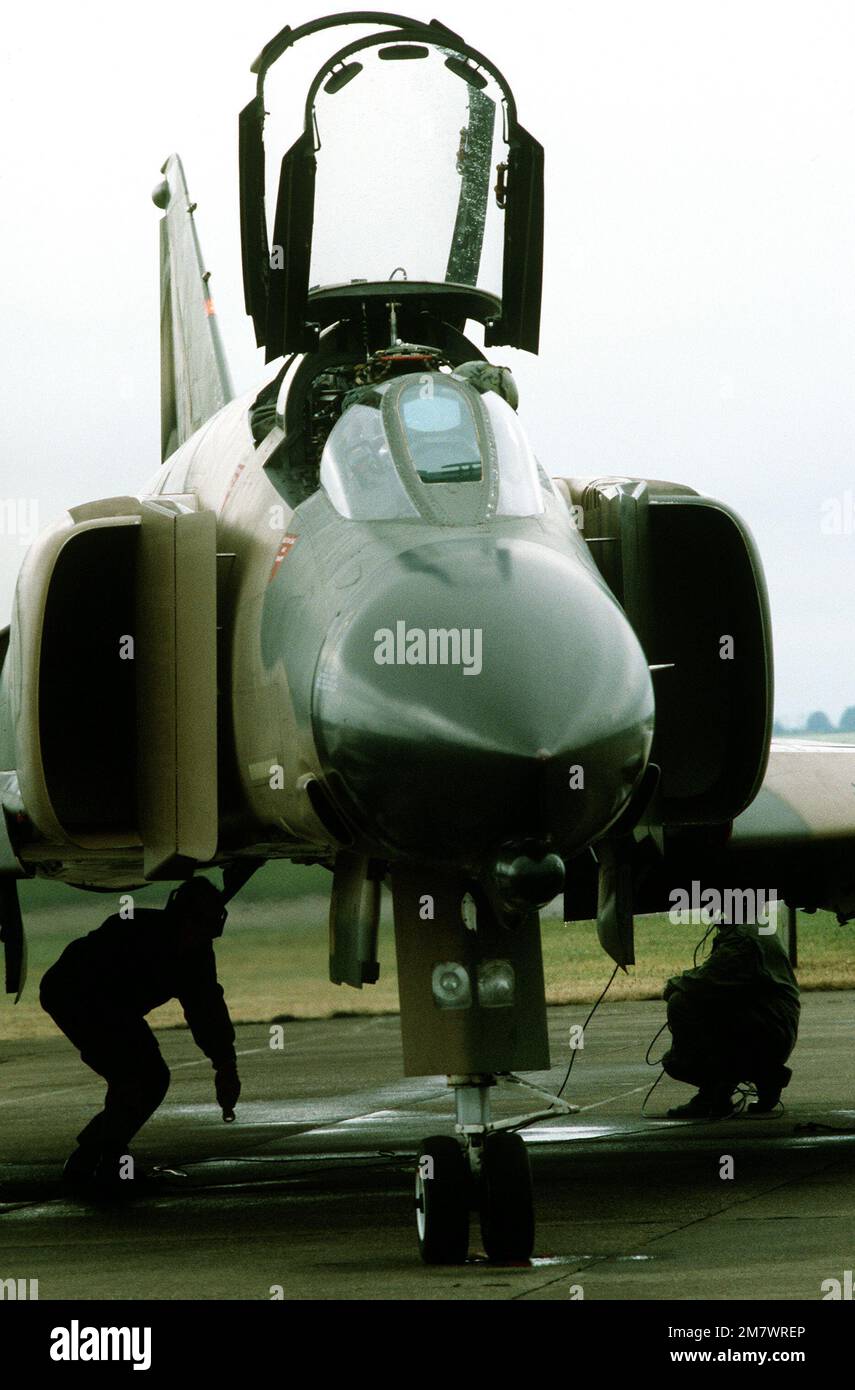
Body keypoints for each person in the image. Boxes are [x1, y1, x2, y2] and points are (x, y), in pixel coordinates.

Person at [40, 877, 240, 1190]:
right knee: (141, 1078)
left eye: (208, 930)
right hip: (75, 994)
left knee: (139, 1079)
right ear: (181, 918)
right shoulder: (132, 931)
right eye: (198, 926)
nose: (201, 938)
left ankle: (93, 1157)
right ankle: (107, 1163)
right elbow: (94, 991)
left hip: (110, 1007)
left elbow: (206, 1008)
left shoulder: (196, 952)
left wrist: (225, 1064)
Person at [661, 918, 800, 1119]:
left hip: (767, 1031)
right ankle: (763, 1076)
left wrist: (673, 984)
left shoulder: (740, 938)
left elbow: (706, 981)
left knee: (680, 1009)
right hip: (773, 1028)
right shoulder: (754, 928)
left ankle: (714, 1093)